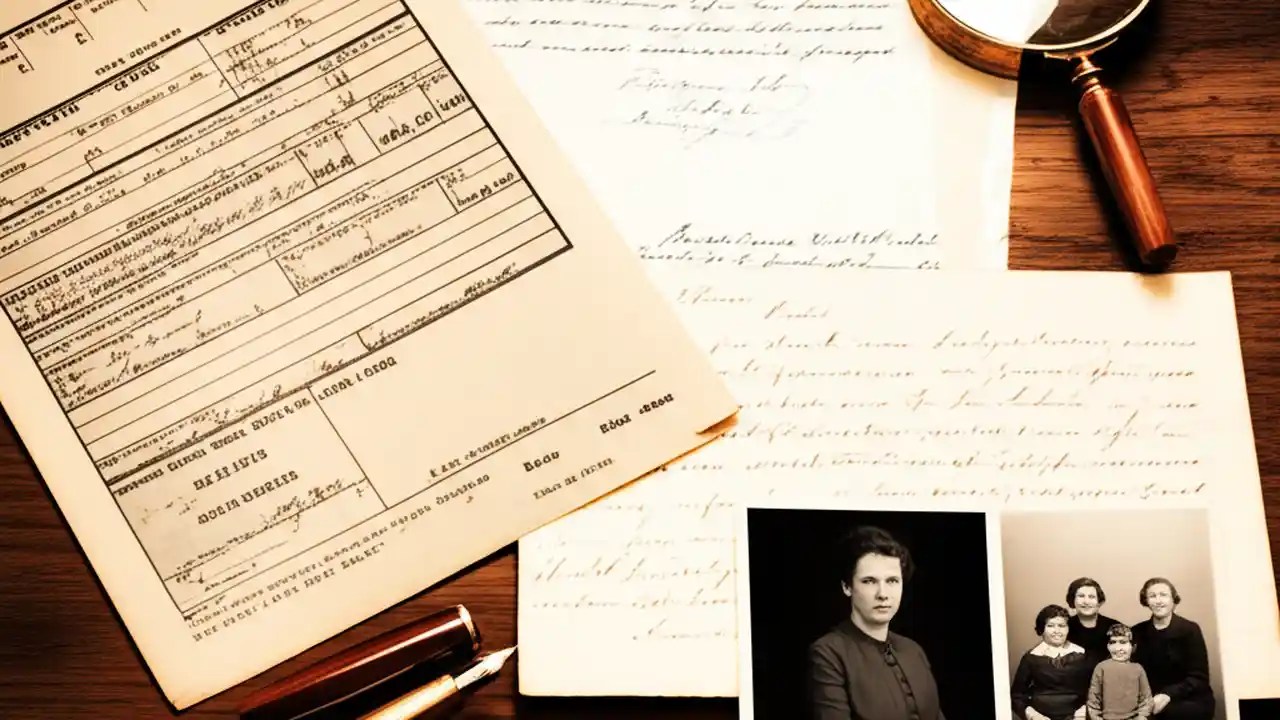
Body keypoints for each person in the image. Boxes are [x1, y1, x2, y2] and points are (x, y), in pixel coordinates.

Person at [807, 526, 945, 720]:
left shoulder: (914, 651)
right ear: (847, 586)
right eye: (870, 581)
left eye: (892, 581)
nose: (883, 594)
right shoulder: (828, 653)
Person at [1130, 578, 1215, 719]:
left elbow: (1198, 678)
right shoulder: (1137, 631)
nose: (1158, 601)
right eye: (1152, 596)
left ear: (1173, 599)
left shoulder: (1190, 630)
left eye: (1163, 595)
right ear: (1146, 601)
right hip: (1149, 700)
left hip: (1188, 699)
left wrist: (1167, 695)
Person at [1011, 604, 1093, 720]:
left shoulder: (1083, 655)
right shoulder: (1031, 657)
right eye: (1050, 626)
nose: (1057, 631)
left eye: (1062, 626)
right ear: (1042, 629)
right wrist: (1033, 715)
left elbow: (1096, 690)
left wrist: (1085, 711)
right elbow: (1017, 695)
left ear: (1068, 628)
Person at [1086, 623, 1153, 720]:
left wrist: (1141, 717)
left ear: (1133, 646)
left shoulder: (1138, 669)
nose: (1118, 648)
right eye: (1113, 642)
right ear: (1108, 646)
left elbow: (1146, 700)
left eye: (1123, 642)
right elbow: (1093, 700)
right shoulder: (1101, 668)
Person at [1066, 577, 1121, 674]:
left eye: (1091, 597)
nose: (1086, 601)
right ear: (1072, 600)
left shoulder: (1115, 627)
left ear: (1099, 601)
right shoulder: (1063, 628)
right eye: (1081, 596)